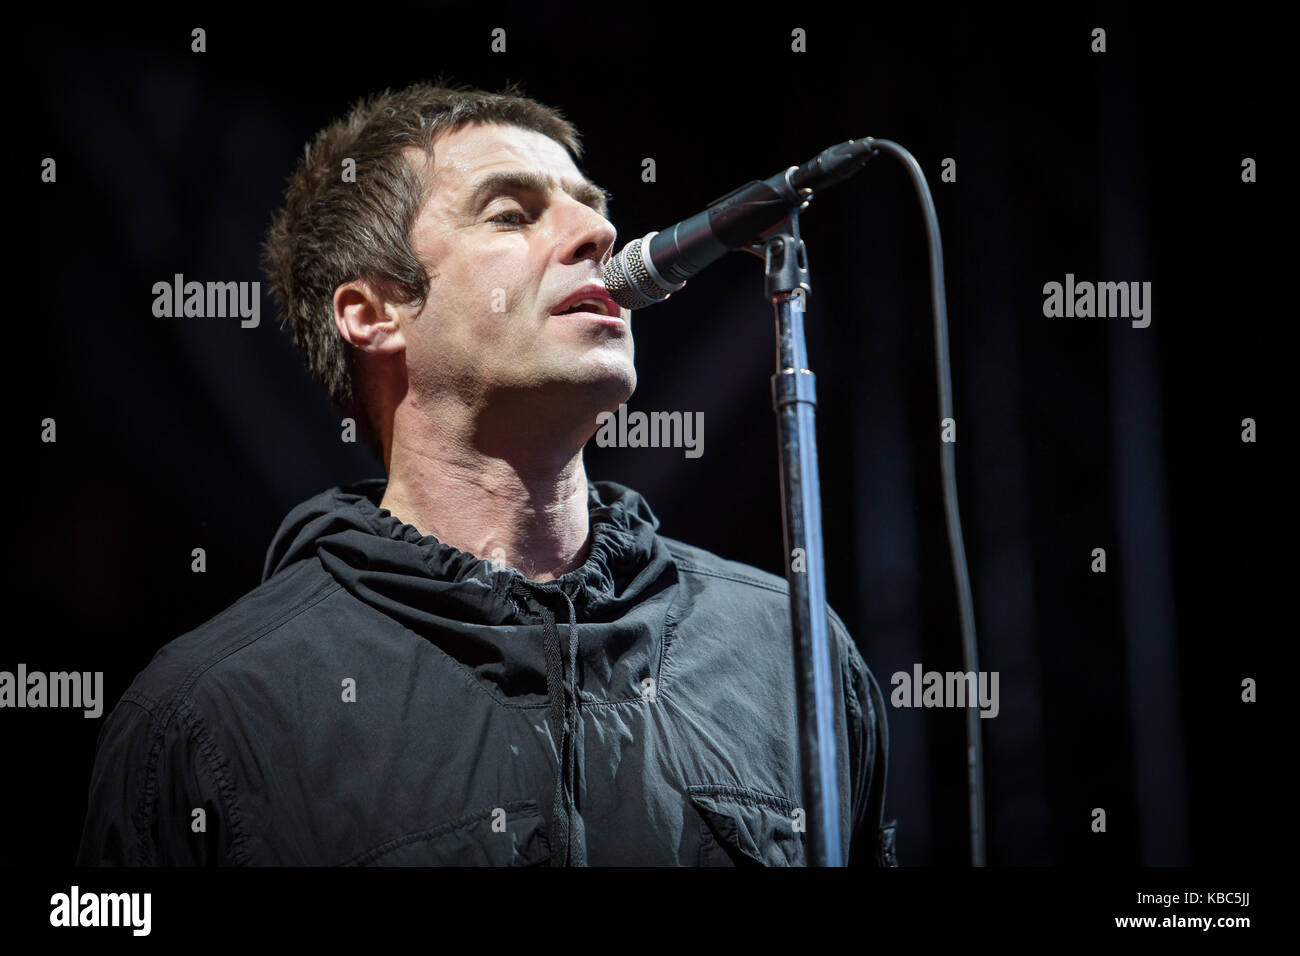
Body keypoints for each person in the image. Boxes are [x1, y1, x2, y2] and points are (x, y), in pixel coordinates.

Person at [76, 80, 898, 866]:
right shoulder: (214, 712)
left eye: (594, 207)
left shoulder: (791, 651)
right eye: (512, 213)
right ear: (372, 313)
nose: (600, 236)